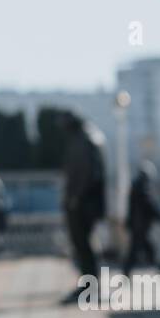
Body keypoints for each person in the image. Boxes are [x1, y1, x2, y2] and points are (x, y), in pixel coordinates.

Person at [59, 112, 108, 303]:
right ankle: (89, 285)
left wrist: (76, 198)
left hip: (83, 203)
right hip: (84, 202)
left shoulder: (85, 140)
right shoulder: (86, 138)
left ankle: (90, 287)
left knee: (84, 243)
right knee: (82, 244)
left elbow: (87, 173)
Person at [123, 160, 160, 275]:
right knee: (147, 250)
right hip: (141, 226)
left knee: (137, 251)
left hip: (136, 225)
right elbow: (149, 205)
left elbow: (132, 208)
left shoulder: (135, 186)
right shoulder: (143, 187)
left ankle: (126, 272)